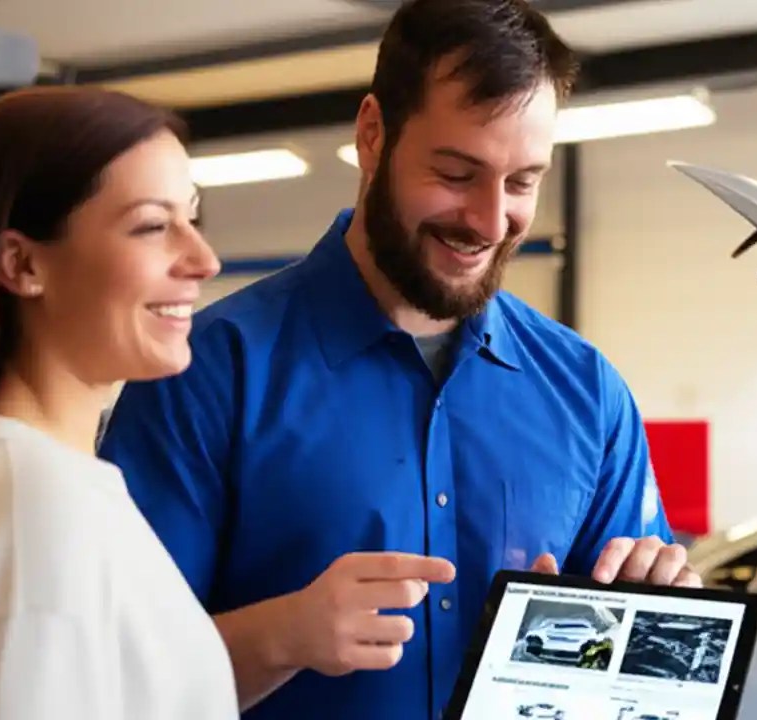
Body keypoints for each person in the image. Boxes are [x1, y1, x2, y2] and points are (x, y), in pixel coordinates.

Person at [98, 1, 698, 718]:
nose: (488, 219)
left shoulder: (587, 392)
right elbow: (114, 684)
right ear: (373, 135)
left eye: (521, 182)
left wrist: (661, 625)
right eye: (455, 173)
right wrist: (282, 636)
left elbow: (632, 688)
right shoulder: (208, 374)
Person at [0, 87, 238, 720]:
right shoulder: (31, 503)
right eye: (153, 225)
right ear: (21, 263)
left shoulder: (40, 480)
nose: (203, 259)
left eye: (192, 218)